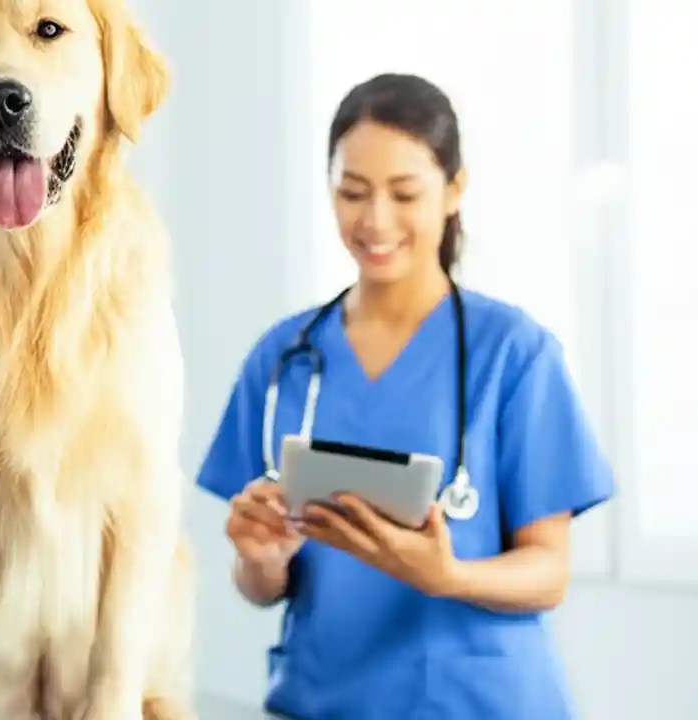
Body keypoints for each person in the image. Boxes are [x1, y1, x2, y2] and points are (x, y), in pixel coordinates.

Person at [194, 72, 616, 719]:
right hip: (325, 698)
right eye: (352, 191)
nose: (375, 221)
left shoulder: (515, 354)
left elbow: (549, 571)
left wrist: (449, 577)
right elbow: (260, 586)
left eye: (404, 193)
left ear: (454, 190)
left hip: (477, 703)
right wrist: (261, 557)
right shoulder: (283, 359)